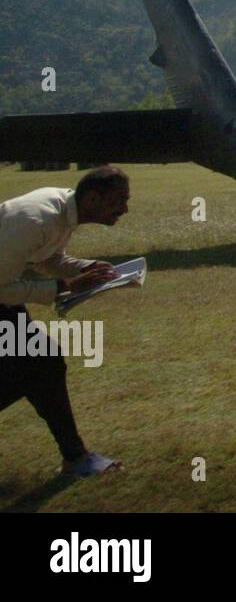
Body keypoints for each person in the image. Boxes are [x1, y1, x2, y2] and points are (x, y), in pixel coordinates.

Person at [0, 166, 131, 477]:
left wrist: (85, 268)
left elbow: (46, 258)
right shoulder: (36, 219)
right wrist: (64, 287)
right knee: (39, 366)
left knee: (39, 367)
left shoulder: (61, 213)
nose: (125, 209)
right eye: (119, 201)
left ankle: (75, 457)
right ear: (93, 198)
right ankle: (75, 457)